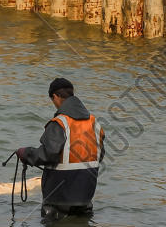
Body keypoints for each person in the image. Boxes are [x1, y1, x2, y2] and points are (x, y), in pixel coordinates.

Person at [15, 77, 104, 218]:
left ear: (55, 96)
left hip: (59, 197)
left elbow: (48, 154)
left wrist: (26, 154)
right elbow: (100, 155)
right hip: (85, 195)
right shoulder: (94, 123)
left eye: (52, 100)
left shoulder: (60, 122)